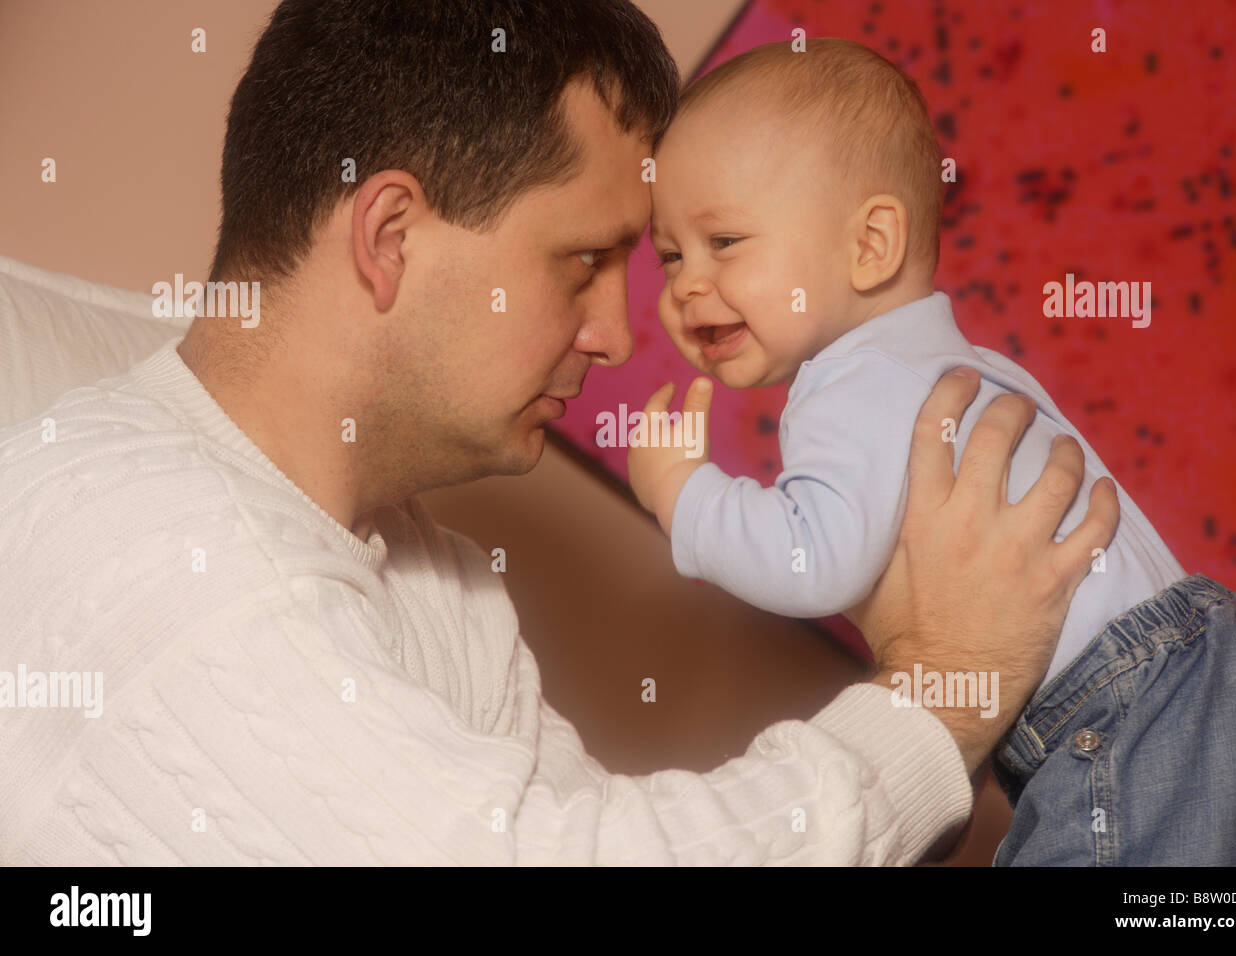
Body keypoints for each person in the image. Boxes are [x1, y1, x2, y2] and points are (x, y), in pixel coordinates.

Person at [0, 0, 1116, 866]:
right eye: (584, 260)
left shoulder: (432, 570)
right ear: (390, 235)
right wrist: (949, 681)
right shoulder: (147, 547)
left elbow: (600, 831)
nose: (620, 334)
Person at [628, 38, 1236, 864]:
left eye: (723, 242)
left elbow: (815, 561)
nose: (687, 283)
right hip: (1220, 655)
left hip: (1124, 701)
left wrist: (681, 494)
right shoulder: (956, 363)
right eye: (669, 258)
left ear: (870, 245)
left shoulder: (849, 383)